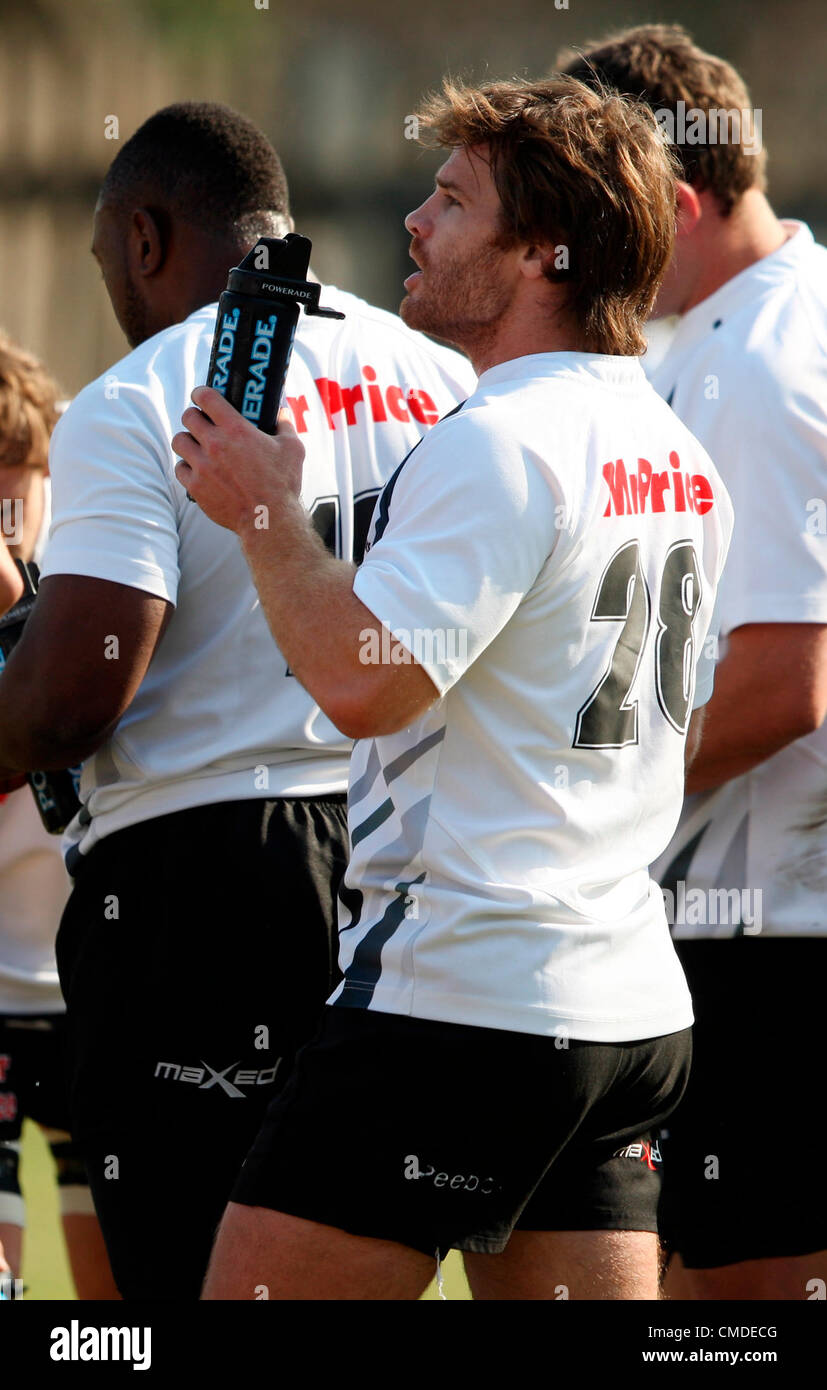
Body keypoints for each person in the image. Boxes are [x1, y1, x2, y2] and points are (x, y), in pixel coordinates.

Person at [175, 75, 733, 1301]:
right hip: (624, 1010)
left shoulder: (498, 438)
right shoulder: (677, 447)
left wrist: (266, 514)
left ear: (547, 251)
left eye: (451, 198)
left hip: (460, 998)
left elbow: (365, 690)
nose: (415, 224)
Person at [0, 102, 474, 1301]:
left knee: (186, 1286)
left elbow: (70, 697)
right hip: (416, 869)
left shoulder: (135, 396)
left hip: (205, 889)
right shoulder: (440, 375)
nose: (113, 290)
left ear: (147, 237)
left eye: (108, 262)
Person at [562, 25, 827, 1300]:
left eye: (595, 199)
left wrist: (595, 811)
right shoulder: (739, 330)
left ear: (671, 202)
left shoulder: (763, 363)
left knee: (737, 1303)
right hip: (747, 913)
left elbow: (785, 683)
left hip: (775, 928)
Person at [0, 333, 118, 1299]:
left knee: (112, 1284)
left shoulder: (83, 595)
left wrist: (18, 608)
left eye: (17, 484)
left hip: (89, 996)